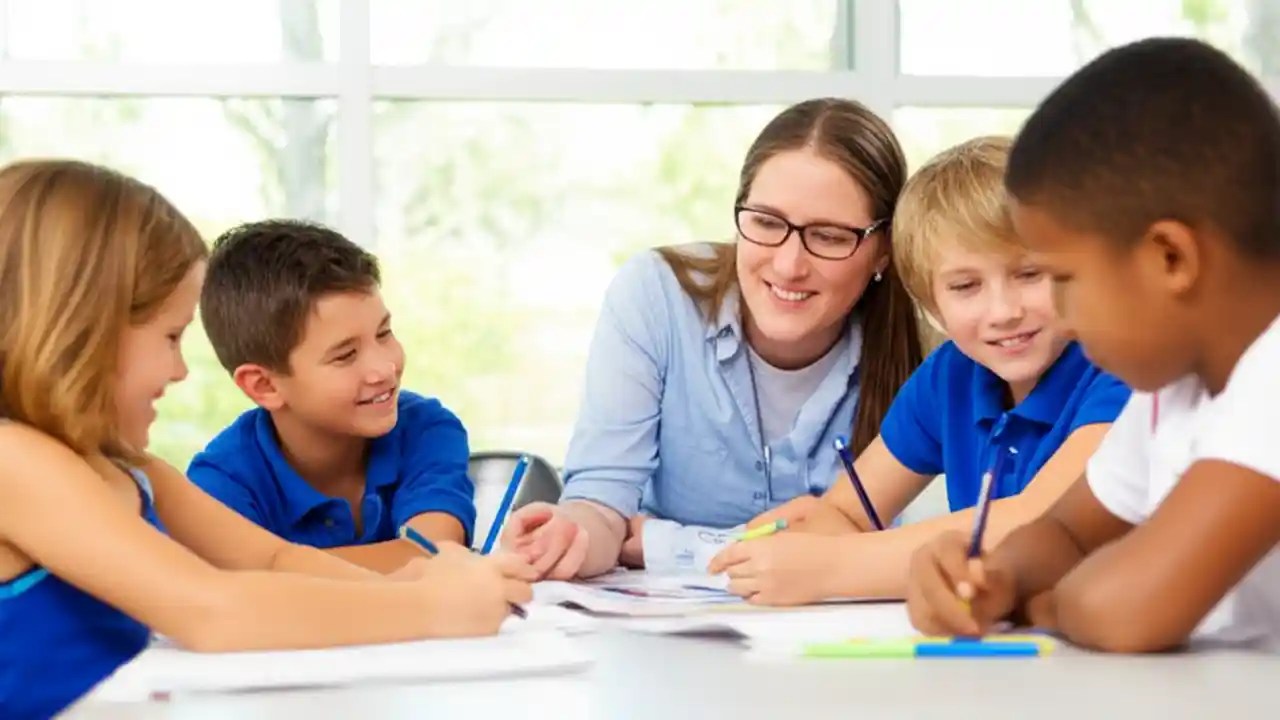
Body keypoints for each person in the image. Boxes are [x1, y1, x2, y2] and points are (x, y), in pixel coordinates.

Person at [0, 160, 532, 719]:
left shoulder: (131, 467)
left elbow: (273, 560)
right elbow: (212, 609)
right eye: (171, 336)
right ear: (82, 331)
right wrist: (429, 605)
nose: (181, 370)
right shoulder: (14, 461)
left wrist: (411, 579)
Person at [906, 38, 1280, 652]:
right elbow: (1066, 536)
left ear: (1170, 258)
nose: (1060, 315)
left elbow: (1128, 610)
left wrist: (1050, 602)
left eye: (1063, 279)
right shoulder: (1173, 390)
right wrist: (994, 577)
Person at [503, 98, 924, 579]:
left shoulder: (931, 348)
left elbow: (912, 546)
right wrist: (570, 533)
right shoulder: (656, 296)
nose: (788, 265)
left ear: (883, 250)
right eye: (766, 222)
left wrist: (663, 544)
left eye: (828, 237)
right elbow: (603, 507)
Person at [708, 136, 1129, 604]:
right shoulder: (951, 376)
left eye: (1030, 274)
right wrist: (813, 532)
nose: (1003, 311)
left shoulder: (1124, 365)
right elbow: (849, 515)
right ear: (933, 307)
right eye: (966, 286)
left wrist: (828, 568)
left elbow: (1045, 523)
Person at [188, 220, 474, 573]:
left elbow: (431, 554)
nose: (384, 369)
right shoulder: (222, 482)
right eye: (345, 356)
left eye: (384, 333)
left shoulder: (426, 429)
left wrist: (269, 570)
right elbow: (227, 593)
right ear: (264, 385)